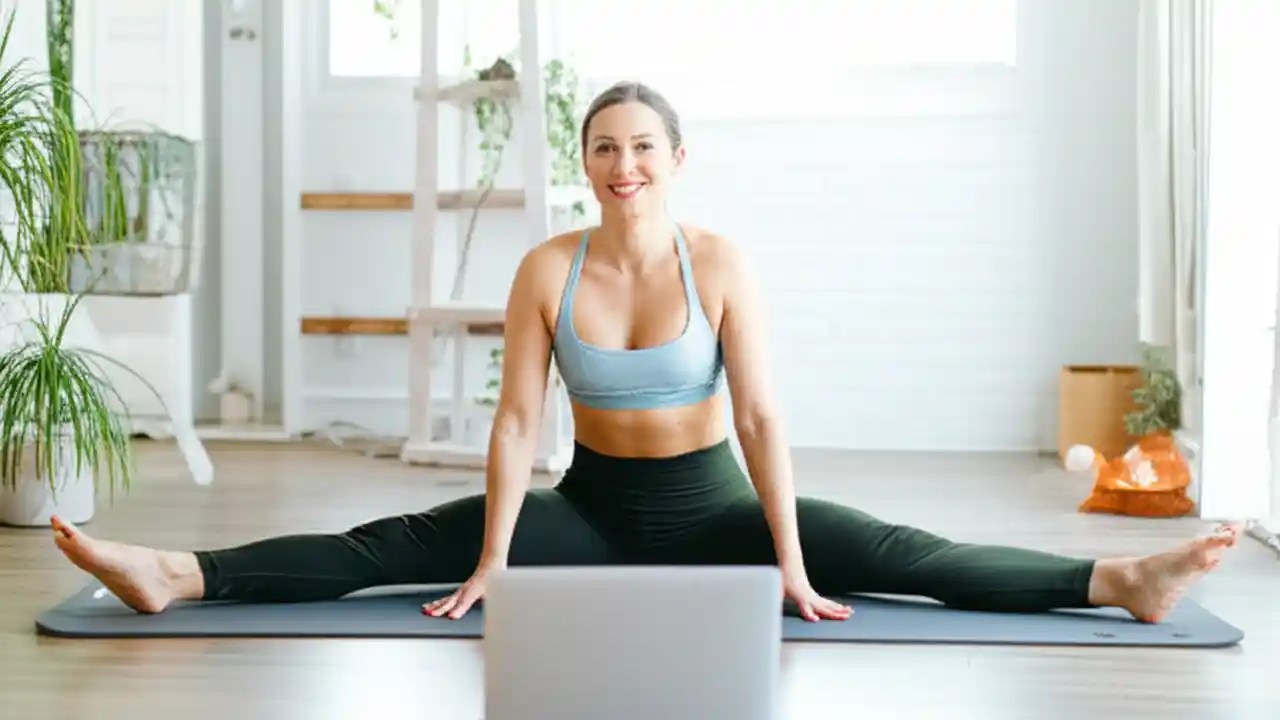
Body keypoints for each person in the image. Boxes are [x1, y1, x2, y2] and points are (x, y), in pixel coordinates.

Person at [51, 81, 1240, 625]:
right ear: (588, 164)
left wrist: (783, 556)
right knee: (398, 544)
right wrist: (497, 559)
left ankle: (1115, 584)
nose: (623, 165)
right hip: (595, 504)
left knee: (887, 550)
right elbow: (516, 426)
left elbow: (764, 421)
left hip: (713, 504)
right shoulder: (546, 267)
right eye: (603, 148)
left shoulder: (718, 262)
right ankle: (177, 572)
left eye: (642, 147)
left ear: (677, 158)